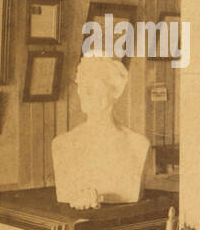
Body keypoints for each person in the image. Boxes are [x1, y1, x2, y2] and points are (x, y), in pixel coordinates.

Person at [51, 55, 150, 209]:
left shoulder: (138, 144)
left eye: (95, 83)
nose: (84, 90)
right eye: (82, 83)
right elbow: (64, 192)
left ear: (115, 91)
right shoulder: (62, 144)